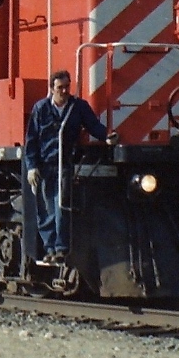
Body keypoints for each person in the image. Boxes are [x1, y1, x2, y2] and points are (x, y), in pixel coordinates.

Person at [23, 70, 118, 264]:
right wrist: (32, 166)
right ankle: (49, 248)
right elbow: (31, 140)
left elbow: (93, 125)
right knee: (46, 208)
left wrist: (106, 136)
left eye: (67, 86)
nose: (65, 91)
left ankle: (60, 248)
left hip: (64, 165)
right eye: (60, 87)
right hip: (44, 165)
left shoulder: (78, 106)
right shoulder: (40, 109)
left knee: (62, 206)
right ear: (52, 89)